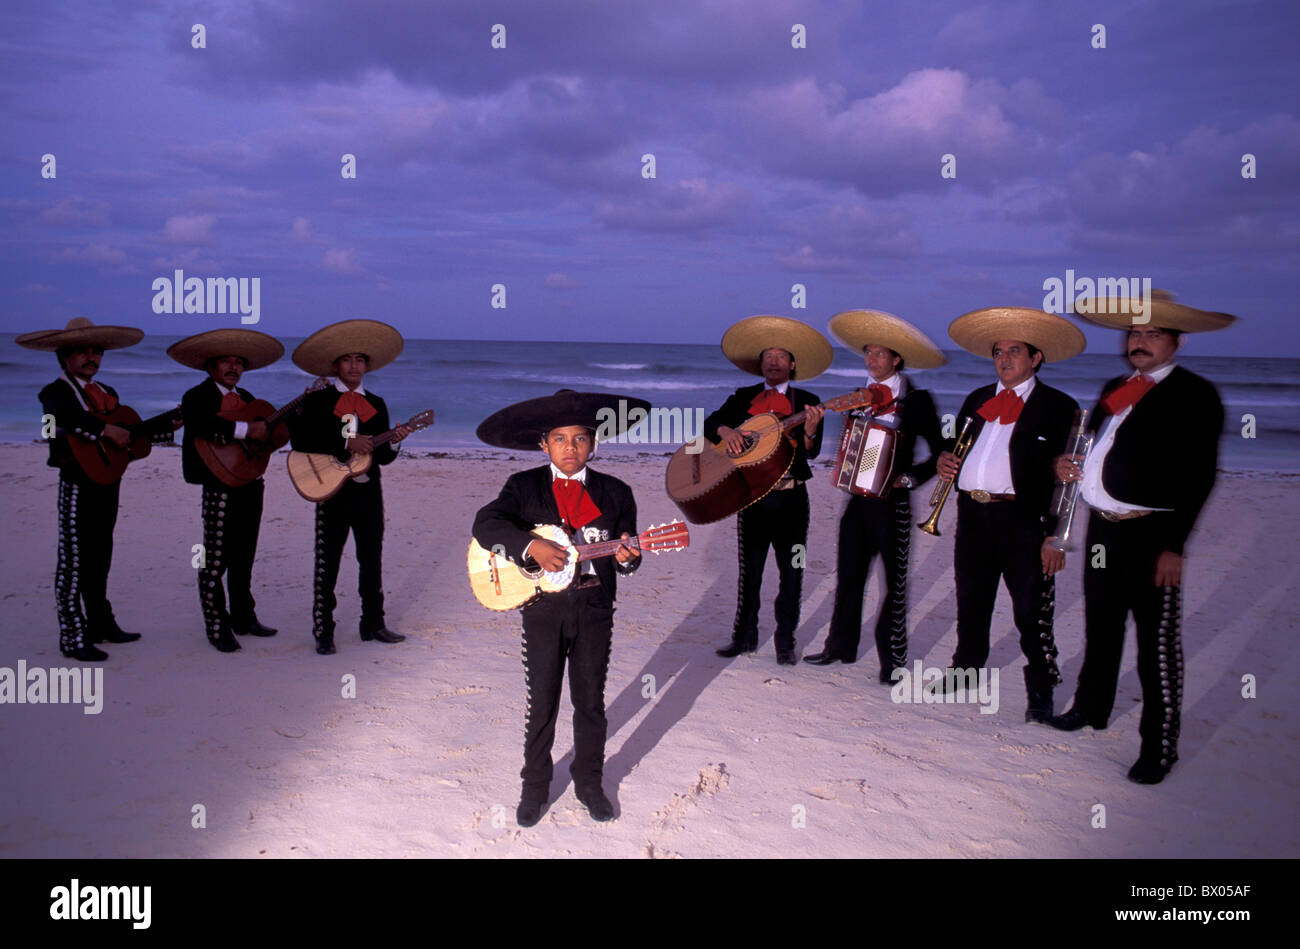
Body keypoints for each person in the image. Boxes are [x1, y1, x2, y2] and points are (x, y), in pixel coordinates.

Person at [1049, 290, 1232, 784]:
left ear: (1178, 341)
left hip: (1153, 534)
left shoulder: (1195, 394)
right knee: (1102, 627)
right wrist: (1069, 465)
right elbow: (1094, 446)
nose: (1140, 341)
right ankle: (1091, 709)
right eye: (1135, 332)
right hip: (1103, 532)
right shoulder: (1116, 386)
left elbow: (1201, 476)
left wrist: (1176, 545)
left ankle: (1159, 748)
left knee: (1157, 644)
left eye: (1152, 334)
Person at [472, 390, 646, 827]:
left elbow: (629, 549)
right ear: (543, 444)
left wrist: (629, 558)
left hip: (594, 609)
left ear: (594, 443)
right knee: (542, 701)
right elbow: (486, 523)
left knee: (590, 702)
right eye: (560, 439)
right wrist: (529, 543)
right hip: (543, 610)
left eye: (580, 439)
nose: (571, 448)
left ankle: (589, 783)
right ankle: (534, 786)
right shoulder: (523, 486)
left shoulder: (617, 491)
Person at [934, 307, 1084, 721]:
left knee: (1030, 610)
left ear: (1036, 358)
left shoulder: (1059, 405)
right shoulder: (977, 399)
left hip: (1023, 522)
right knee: (972, 600)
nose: (1004, 359)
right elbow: (954, 446)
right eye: (998, 351)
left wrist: (1057, 537)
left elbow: (1067, 479)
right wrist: (944, 460)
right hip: (972, 516)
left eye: (1014, 351)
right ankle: (966, 672)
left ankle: (1040, 687)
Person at [17, 317, 177, 661]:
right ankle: (72, 636)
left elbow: (124, 441)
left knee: (101, 555)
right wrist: (103, 431)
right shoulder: (54, 393)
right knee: (73, 560)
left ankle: (100, 623)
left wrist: (165, 427)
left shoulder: (108, 394)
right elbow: (51, 427)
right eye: (82, 352)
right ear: (65, 357)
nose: (92, 358)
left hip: (106, 482)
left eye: (97, 352)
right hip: (76, 483)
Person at [804, 310, 946, 682]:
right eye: (868, 354)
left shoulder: (917, 400)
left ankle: (892, 662)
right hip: (858, 500)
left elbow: (941, 452)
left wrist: (911, 479)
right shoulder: (859, 398)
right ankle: (840, 648)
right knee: (849, 576)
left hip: (893, 504)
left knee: (894, 584)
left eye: (880, 354)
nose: (872, 360)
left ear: (896, 359)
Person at [705, 316, 831, 665]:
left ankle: (785, 641)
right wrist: (727, 430)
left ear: (792, 364)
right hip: (753, 497)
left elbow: (812, 450)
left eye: (781, 356)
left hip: (792, 498)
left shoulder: (808, 400)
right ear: (760, 364)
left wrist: (810, 429)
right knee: (751, 571)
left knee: (792, 571)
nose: (774, 361)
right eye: (768, 356)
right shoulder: (744, 397)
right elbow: (709, 424)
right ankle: (743, 637)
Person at [289, 320, 412, 655]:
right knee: (327, 561)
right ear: (336, 365)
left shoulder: (378, 402)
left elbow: (382, 457)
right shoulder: (318, 400)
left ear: (367, 366)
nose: (354, 366)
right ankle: (323, 630)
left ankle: (373, 624)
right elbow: (300, 438)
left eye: (360, 360)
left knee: (371, 559)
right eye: (348, 360)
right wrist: (345, 442)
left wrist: (397, 441)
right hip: (331, 491)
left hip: (369, 492)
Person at [169, 329, 285, 653]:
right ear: (211, 367)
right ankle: (216, 625)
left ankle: (244, 617)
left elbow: (265, 437)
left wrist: (282, 425)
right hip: (218, 483)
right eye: (226, 361)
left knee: (245, 555)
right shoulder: (196, 397)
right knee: (214, 557)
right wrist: (248, 429)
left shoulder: (248, 399)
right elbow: (202, 424)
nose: (234, 367)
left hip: (250, 483)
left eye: (238, 362)